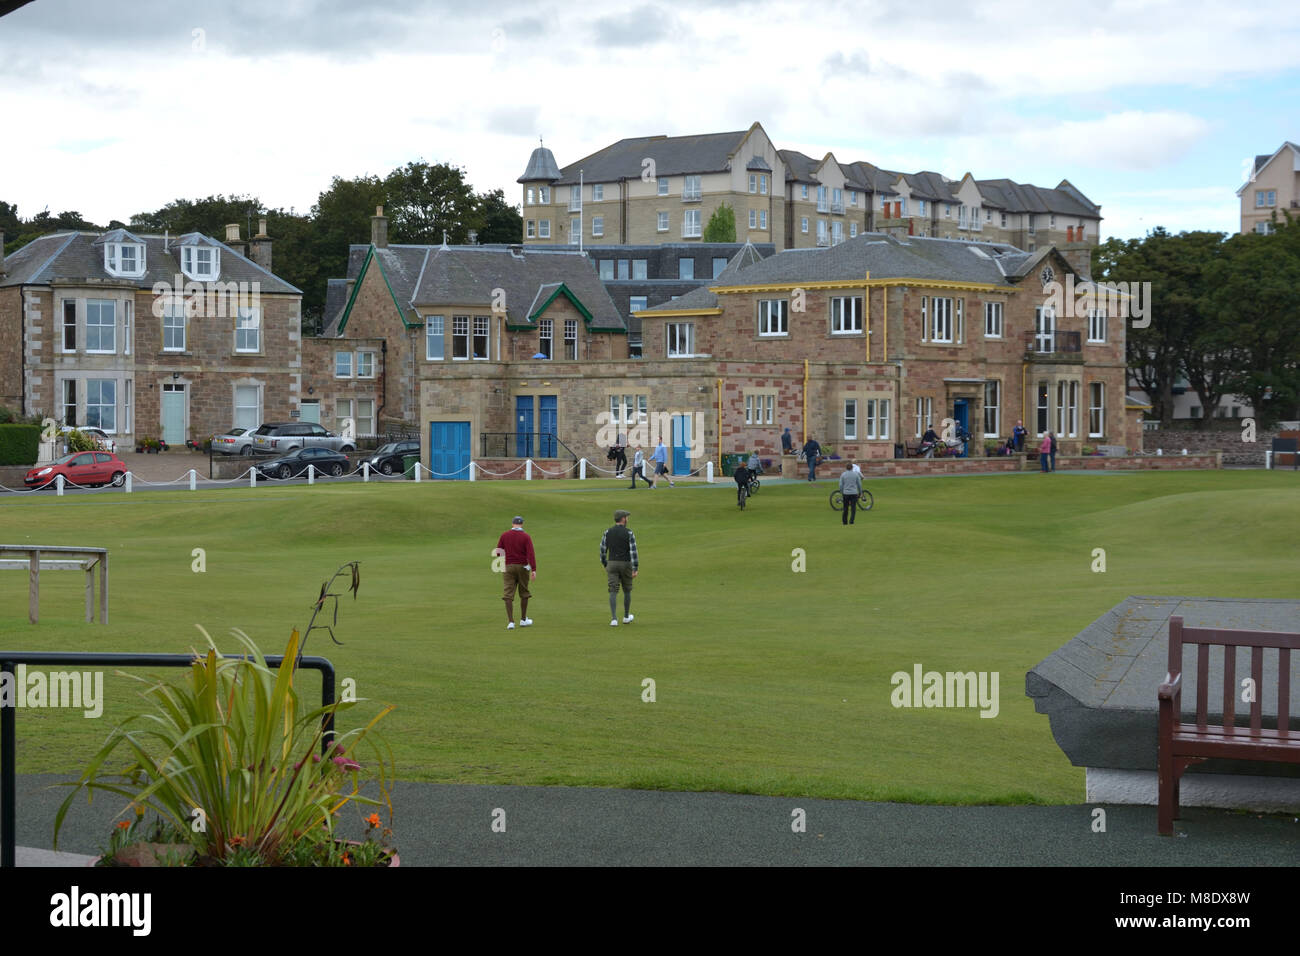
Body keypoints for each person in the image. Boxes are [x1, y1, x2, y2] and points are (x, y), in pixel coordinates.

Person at [494, 515, 536, 630]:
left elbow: (498, 552)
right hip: (523, 567)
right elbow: (530, 554)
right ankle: (523, 620)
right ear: (522, 524)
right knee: (524, 592)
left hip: (508, 566)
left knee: (508, 594)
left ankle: (511, 622)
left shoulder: (504, 535)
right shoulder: (526, 536)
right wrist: (534, 569)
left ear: (512, 524)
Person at [600, 509, 638, 627]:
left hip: (612, 563)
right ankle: (626, 617)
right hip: (625, 564)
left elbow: (602, 550)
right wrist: (635, 567)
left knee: (613, 590)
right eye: (626, 517)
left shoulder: (607, 532)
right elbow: (633, 551)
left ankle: (614, 619)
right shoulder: (629, 533)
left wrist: (605, 563)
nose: (627, 519)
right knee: (627, 590)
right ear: (623, 519)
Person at [838, 461, 863, 525]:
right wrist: (860, 492)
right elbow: (859, 484)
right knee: (853, 508)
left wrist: (841, 491)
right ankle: (851, 521)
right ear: (852, 468)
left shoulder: (843, 474)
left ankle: (844, 521)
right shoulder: (856, 474)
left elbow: (841, 485)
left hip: (846, 493)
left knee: (845, 508)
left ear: (846, 468)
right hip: (854, 493)